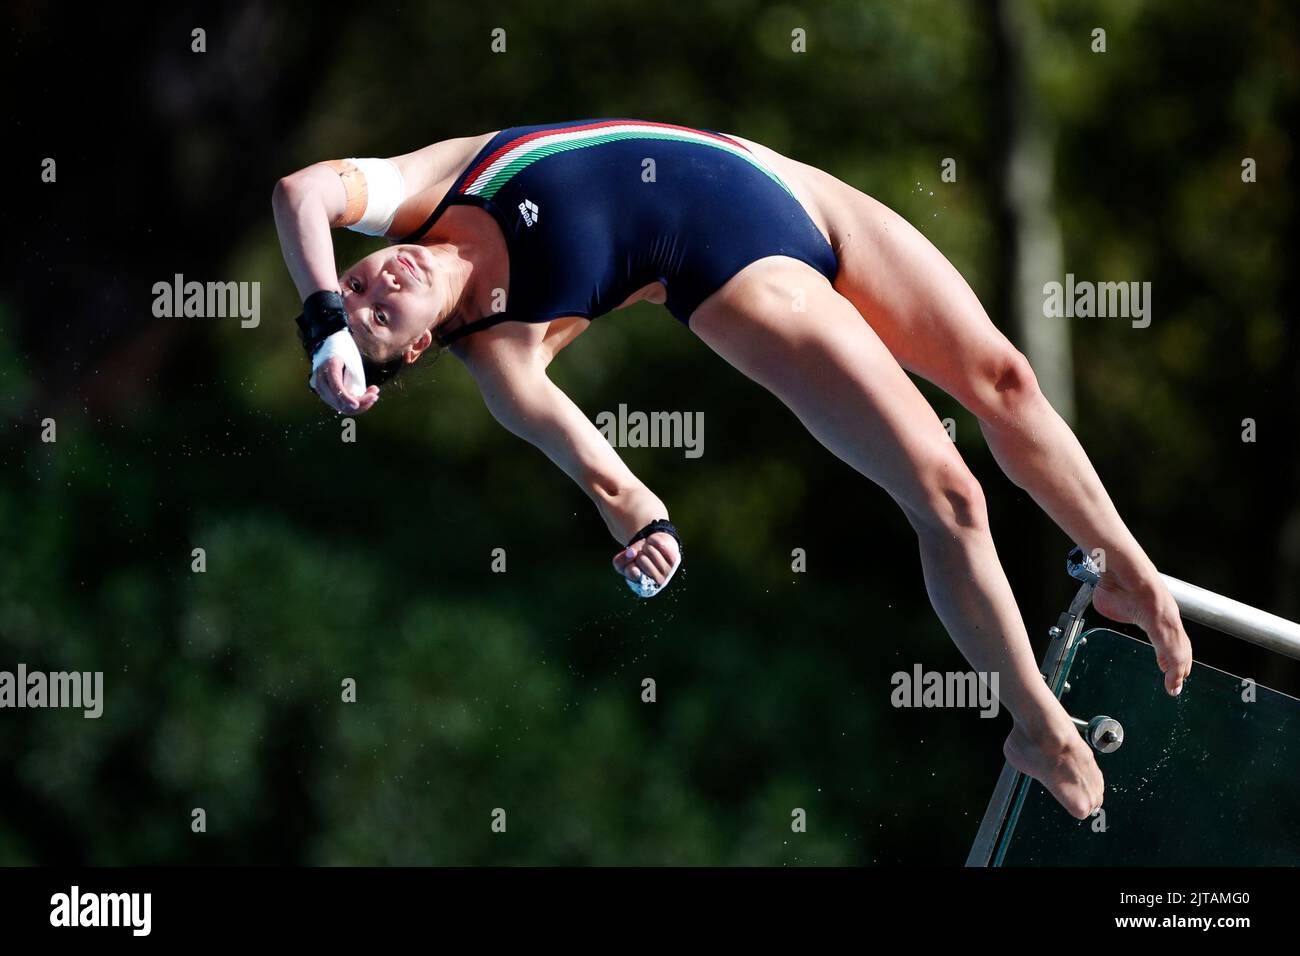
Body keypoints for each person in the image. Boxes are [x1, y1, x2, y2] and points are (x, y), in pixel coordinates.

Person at [272, 118, 1193, 819]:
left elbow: (300, 191)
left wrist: (324, 325)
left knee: (1007, 378)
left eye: (355, 283)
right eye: (373, 317)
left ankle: (1124, 568)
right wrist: (646, 536)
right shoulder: (506, 362)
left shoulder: (423, 189)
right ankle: (1041, 731)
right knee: (949, 494)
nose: (372, 286)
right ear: (424, 345)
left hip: (774, 177)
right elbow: (621, 491)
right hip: (739, 273)